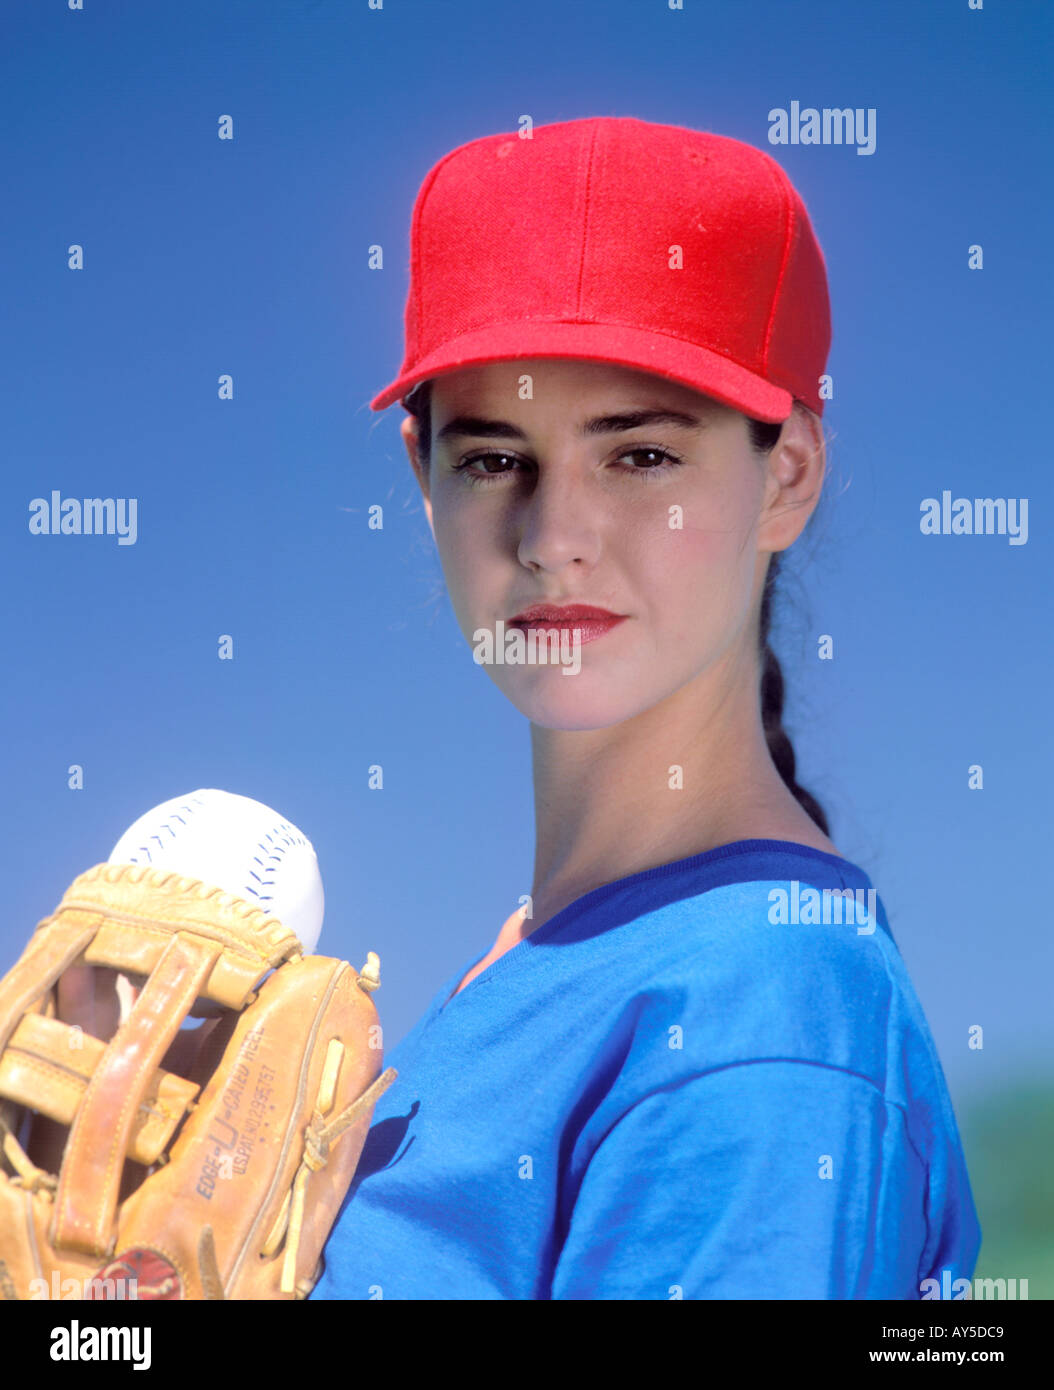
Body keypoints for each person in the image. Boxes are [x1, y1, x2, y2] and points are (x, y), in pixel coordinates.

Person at [310, 115, 982, 1300]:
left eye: (639, 457)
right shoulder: (544, 961)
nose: (553, 537)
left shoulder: (758, 1011)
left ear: (787, 477)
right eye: (492, 457)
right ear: (422, 482)